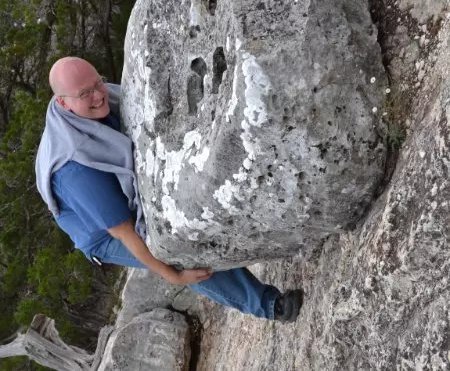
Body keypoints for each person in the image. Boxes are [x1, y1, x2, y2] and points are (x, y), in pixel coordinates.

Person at [35, 56, 303, 322]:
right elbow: (123, 232)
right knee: (177, 251)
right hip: (103, 233)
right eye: (86, 94)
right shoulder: (75, 170)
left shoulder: (81, 98)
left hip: (117, 185)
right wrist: (173, 274)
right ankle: (269, 305)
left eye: (99, 82)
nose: (99, 95)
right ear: (63, 103)